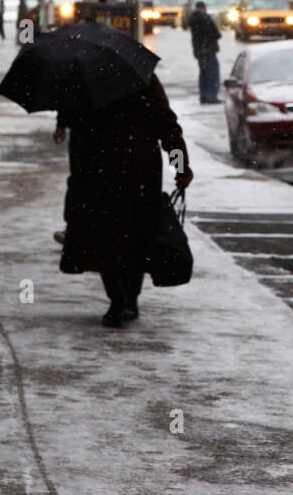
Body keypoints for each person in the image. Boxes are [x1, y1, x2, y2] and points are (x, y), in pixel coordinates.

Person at [54, 67, 192, 328]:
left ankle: (118, 298)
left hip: (98, 170)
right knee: (136, 235)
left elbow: (74, 116)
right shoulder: (145, 80)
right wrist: (181, 166)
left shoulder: (87, 79)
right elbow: (167, 125)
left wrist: (64, 122)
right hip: (138, 170)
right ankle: (129, 299)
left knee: (107, 237)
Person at [189, 0, 221, 104]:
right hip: (208, 50)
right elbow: (215, 33)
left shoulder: (193, 18)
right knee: (213, 74)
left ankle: (203, 96)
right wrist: (209, 43)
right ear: (204, 7)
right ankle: (212, 97)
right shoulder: (205, 18)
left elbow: (196, 37)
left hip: (199, 51)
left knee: (203, 74)